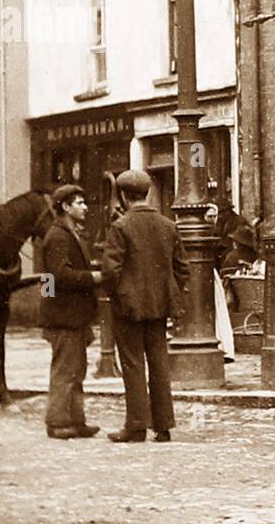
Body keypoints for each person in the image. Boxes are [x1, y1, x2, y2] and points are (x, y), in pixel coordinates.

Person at [101, 169, 189, 442]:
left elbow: (110, 271)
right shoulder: (168, 225)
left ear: (125, 197)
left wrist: (116, 295)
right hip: (160, 307)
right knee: (159, 363)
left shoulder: (120, 227)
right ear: (147, 193)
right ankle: (163, 427)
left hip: (128, 308)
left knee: (133, 365)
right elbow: (182, 269)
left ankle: (136, 426)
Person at [41, 184, 102, 440]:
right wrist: (93, 277)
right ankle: (57, 422)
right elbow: (60, 276)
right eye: (79, 203)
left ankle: (76, 420)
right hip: (64, 316)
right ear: (66, 207)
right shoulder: (57, 236)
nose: (85, 207)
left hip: (72, 315)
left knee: (77, 369)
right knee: (66, 371)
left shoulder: (70, 233)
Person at [203, 203, 236, 364]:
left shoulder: (218, 234)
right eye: (209, 216)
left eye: (214, 216)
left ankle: (223, 345)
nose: (212, 220)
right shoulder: (208, 233)